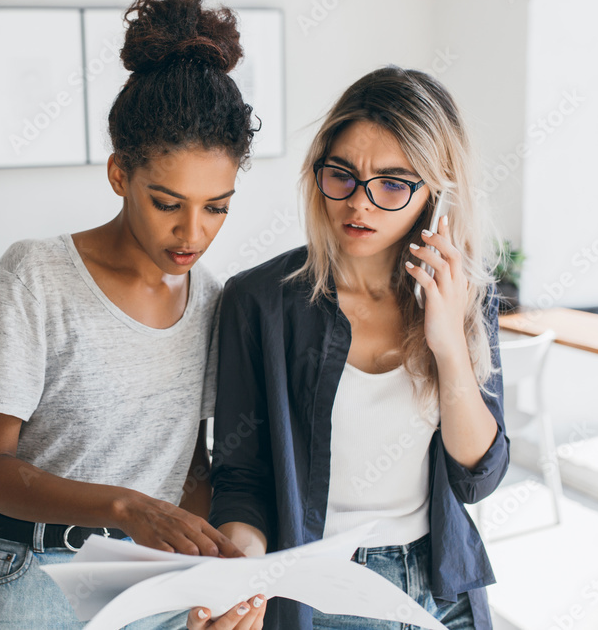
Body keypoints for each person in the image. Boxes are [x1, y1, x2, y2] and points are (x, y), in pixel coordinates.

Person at [0, 0, 265, 629]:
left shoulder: (211, 300)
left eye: (216, 207)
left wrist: (219, 574)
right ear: (120, 174)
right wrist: (123, 507)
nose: (192, 233)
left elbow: (190, 468)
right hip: (33, 573)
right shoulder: (35, 277)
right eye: (167, 203)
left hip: (155, 578)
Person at [209, 66, 508, 629]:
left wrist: (448, 344)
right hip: (325, 595)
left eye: (393, 183)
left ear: (437, 194)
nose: (359, 204)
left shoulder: (464, 296)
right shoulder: (259, 302)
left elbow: (478, 477)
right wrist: (242, 572)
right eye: (341, 175)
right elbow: (241, 479)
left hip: (444, 590)